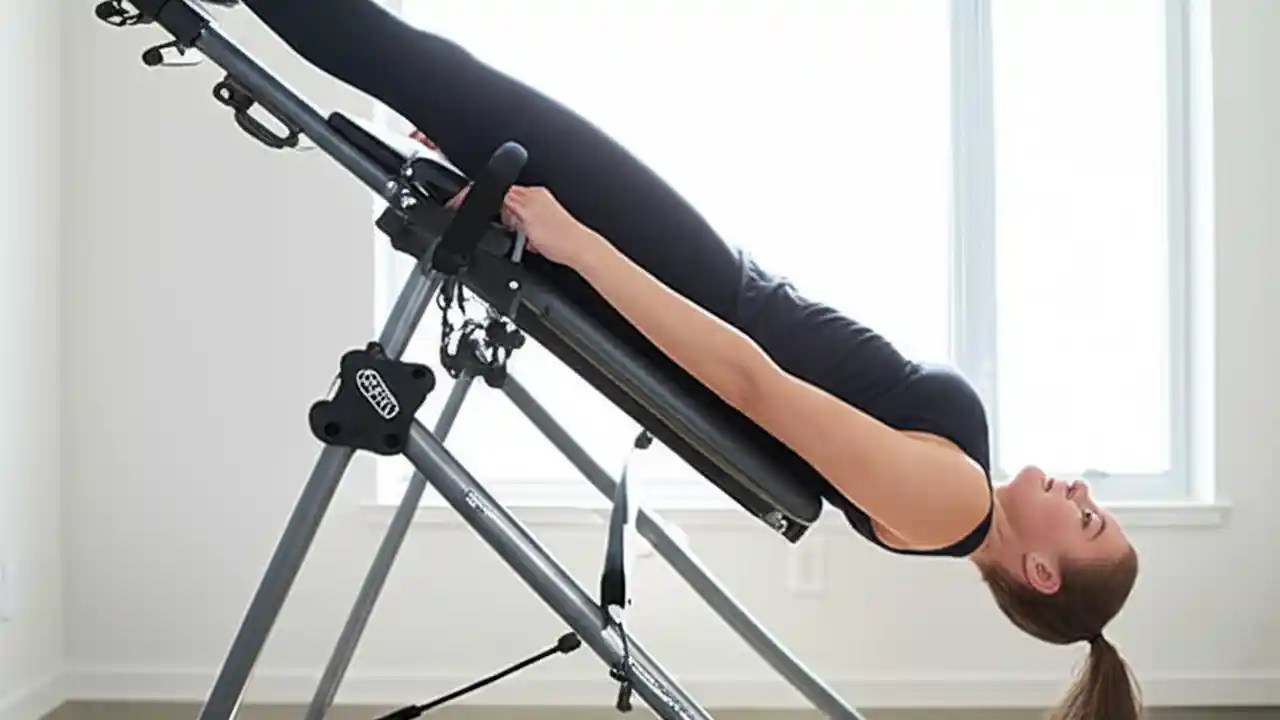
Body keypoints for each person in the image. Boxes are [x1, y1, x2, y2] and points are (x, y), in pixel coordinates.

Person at [237, 1, 1142, 716]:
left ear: (1042, 572)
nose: (1084, 496)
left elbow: (754, 386)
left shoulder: (952, 504)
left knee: (426, 70)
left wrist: (577, 244)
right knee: (438, 81)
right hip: (709, 274)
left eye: (1090, 524)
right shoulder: (957, 493)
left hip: (699, 285)